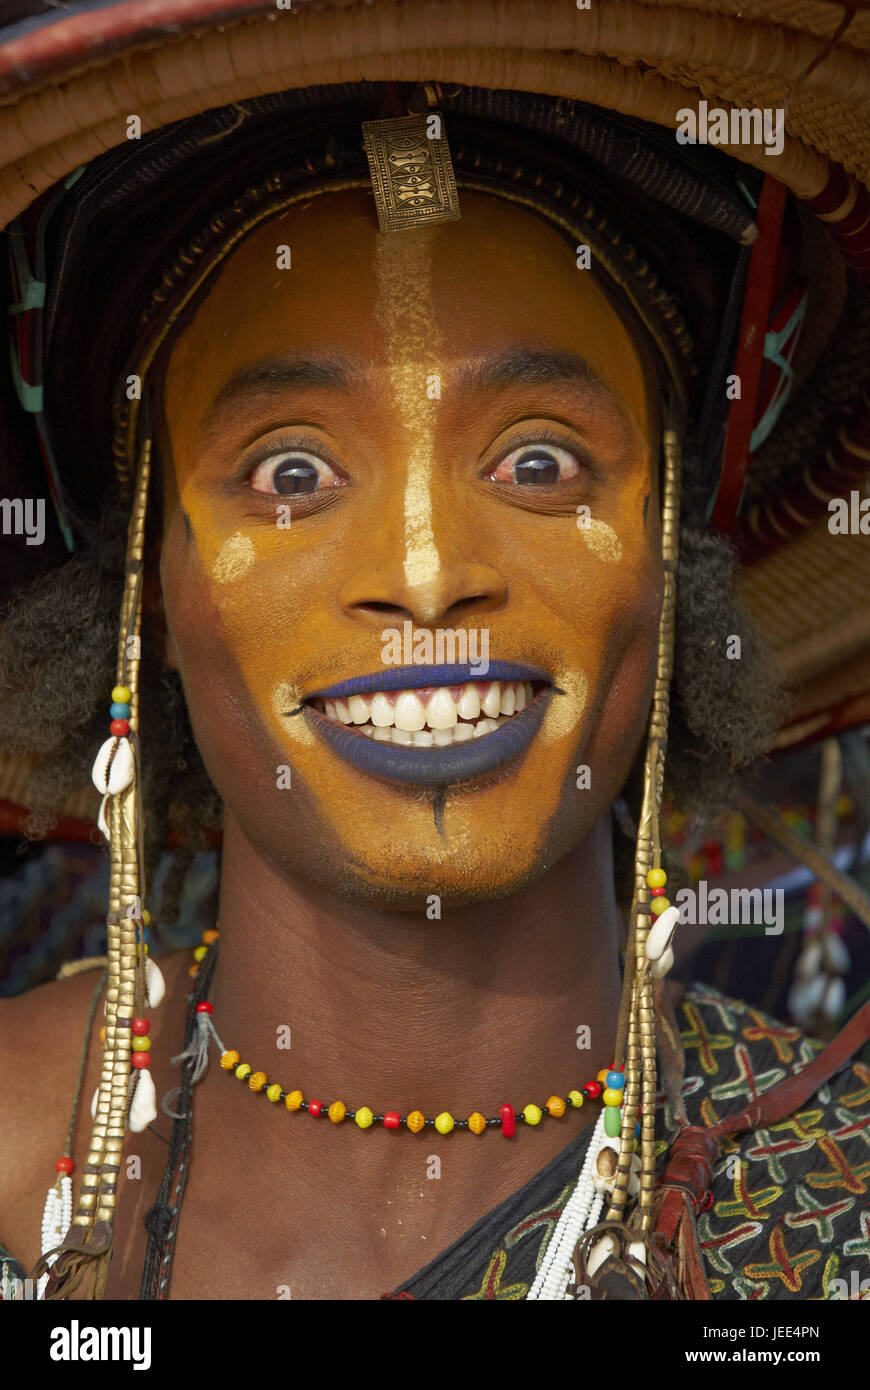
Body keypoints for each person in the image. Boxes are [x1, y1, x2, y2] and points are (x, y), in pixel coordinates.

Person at [0, 3, 869, 1303]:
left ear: (664, 571)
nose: (422, 571)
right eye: (290, 470)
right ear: (155, 592)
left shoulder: (830, 1207)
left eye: (538, 462)